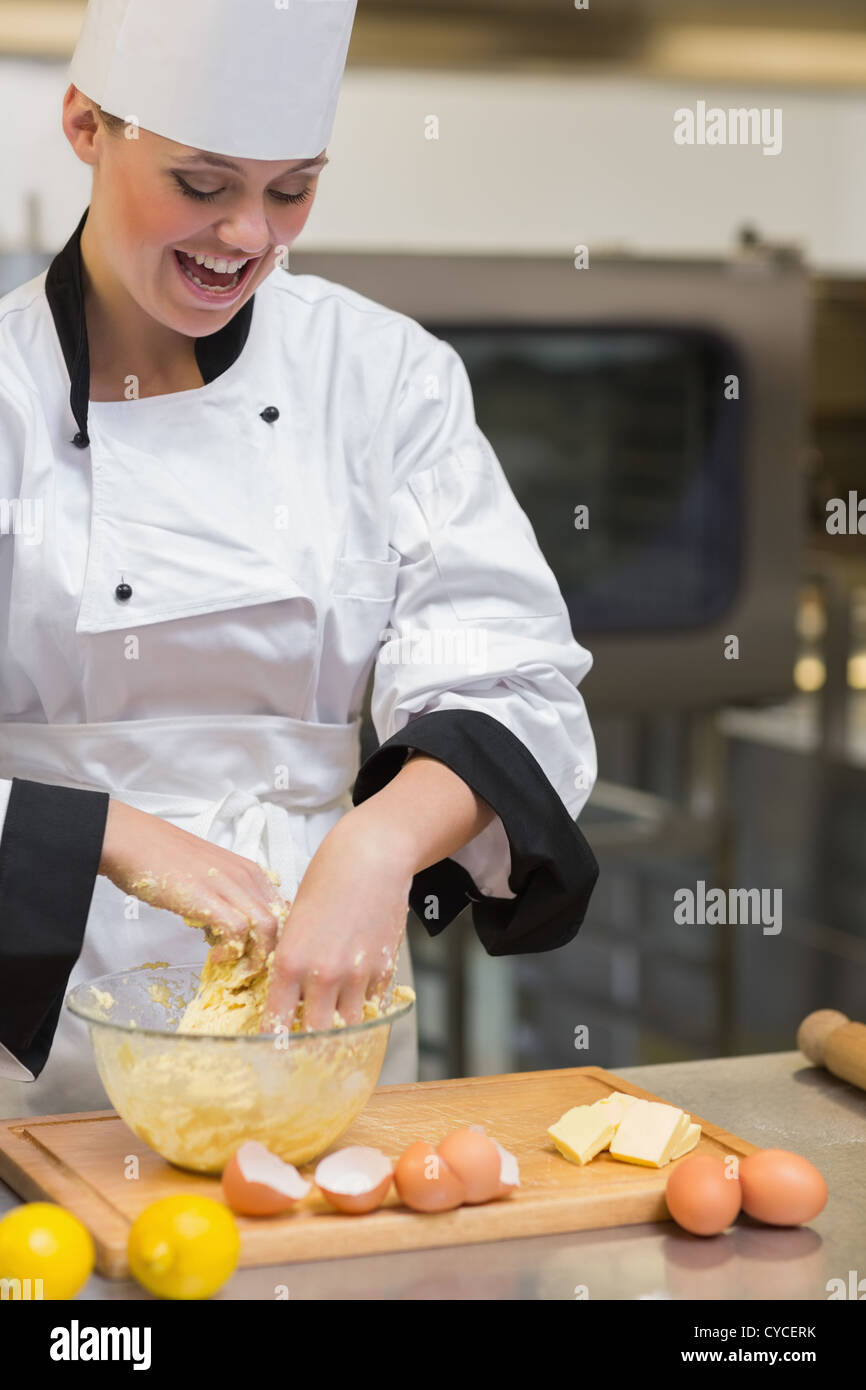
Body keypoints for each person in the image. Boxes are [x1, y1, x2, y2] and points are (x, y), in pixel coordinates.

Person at [0, 0, 598, 1118]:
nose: (245, 238)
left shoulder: (379, 379)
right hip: (27, 1037)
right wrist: (105, 828)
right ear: (85, 123)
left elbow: (516, 686)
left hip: (320, 1004)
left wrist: (375, 847)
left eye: (291, 190)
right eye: (201, 183)